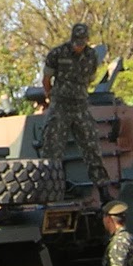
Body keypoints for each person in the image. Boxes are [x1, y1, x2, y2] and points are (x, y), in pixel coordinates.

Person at [41, 23, 108, 198]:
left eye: (82, 41)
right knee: (52, 149)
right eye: (76, 41)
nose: (78, 45)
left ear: (87, 40)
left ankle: (103, 190)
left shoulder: (91, 56)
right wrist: (50, 96)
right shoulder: (57, 53)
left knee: (92, 147)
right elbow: (46, 79)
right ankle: (49, 191)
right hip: (60, 106)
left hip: (80, 105)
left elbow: (90, 78)